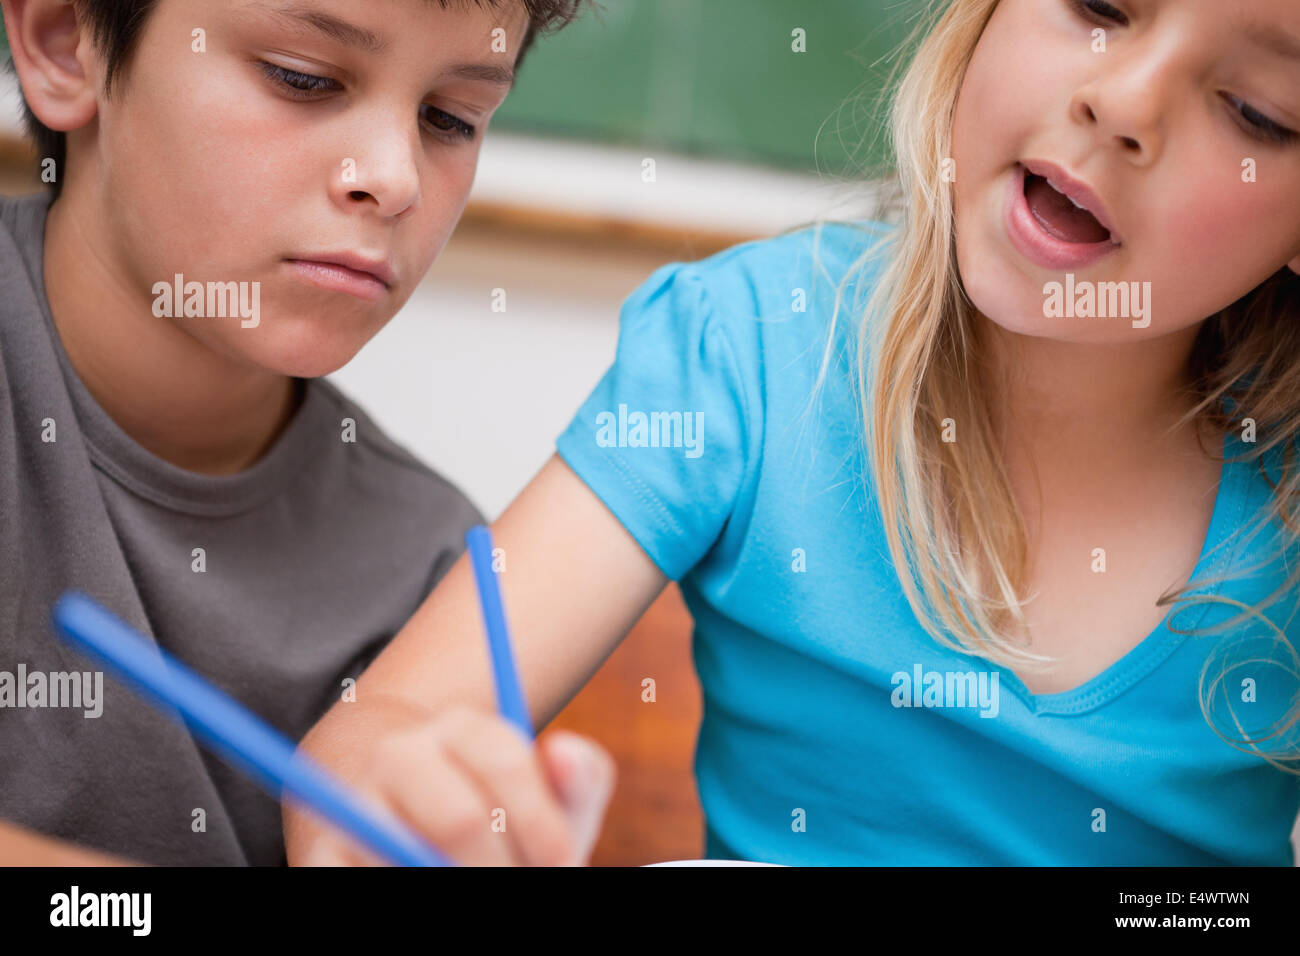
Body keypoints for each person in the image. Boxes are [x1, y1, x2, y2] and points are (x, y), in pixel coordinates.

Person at [290, 0, 1300, 865]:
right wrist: (408, 800)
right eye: (1097, 5)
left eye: (1256, 111)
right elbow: (376, 737)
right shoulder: (746, 350)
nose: (1121, 105)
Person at [0, 0, 613, 866]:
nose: (393, 176)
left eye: (451, 119)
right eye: (304, 78)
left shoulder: (433, 576)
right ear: (64, 44)